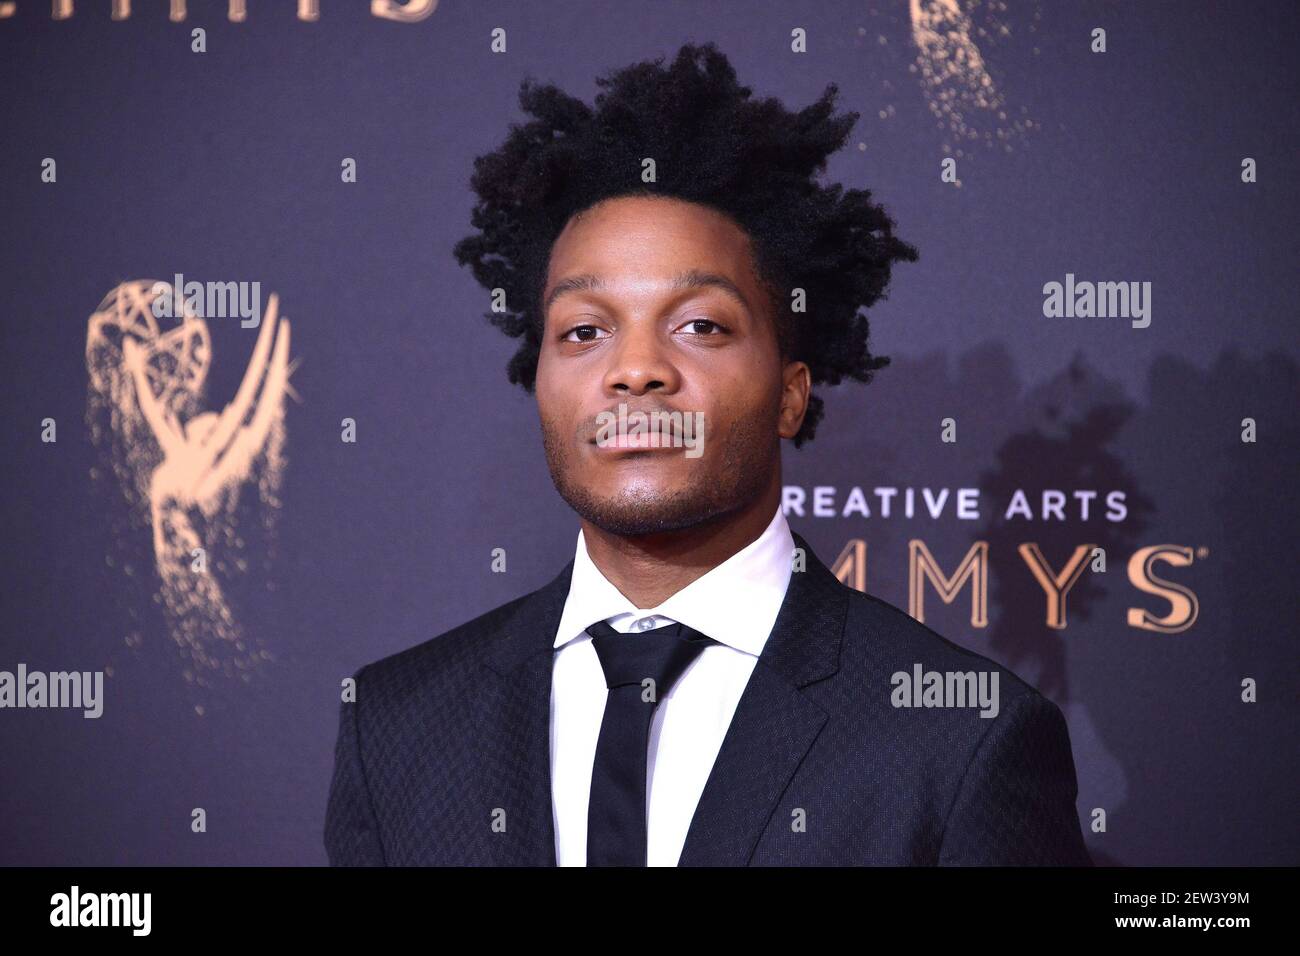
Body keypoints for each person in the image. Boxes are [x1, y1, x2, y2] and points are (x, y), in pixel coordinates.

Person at [324, 42, 1091, 867]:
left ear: (791, 394)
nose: (636, 369)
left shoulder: (961, 738)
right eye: (584, 331)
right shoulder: (396, 722)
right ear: (538, 378)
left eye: (701, 325)